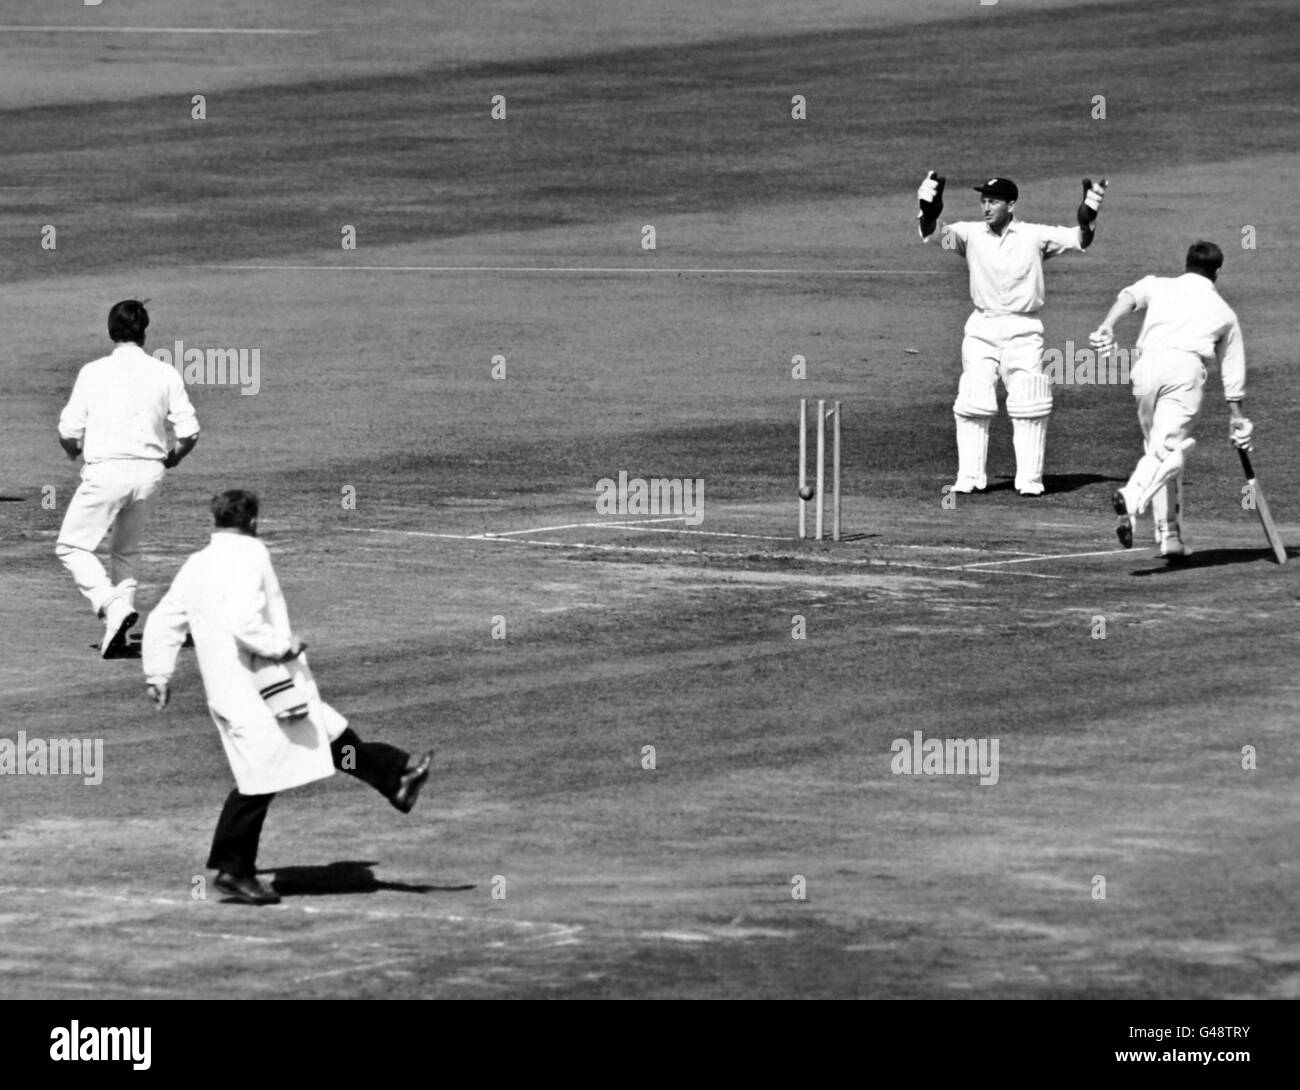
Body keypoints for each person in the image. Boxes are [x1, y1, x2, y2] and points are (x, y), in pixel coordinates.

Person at [141, 489, 434, 906]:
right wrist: (283, 644)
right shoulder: (251, 555)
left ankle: (396, 778)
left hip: (245, 686)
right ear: (254, 521)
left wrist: (158, 673)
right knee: (258, 777)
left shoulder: (198, 563)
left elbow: (164, 620)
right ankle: (233, 870)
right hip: (255, 687)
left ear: (215, 520)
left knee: (330, 734)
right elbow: (244, 621)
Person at [916, 171, 1107, 495]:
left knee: (1029, 401)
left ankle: (1029, 481)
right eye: (983, 201)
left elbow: (1079, 238)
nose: (986, 207)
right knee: (973, 398)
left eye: (993, 202)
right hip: (983, 326)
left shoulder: (1034, 236)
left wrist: (1089, 215)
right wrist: (929, 211)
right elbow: (935, 233)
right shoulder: (969, 234)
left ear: (1011, 204)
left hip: (1023, 328)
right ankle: (970, 477)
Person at [56, 300, 201, 657]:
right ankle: (117, 634)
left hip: (107, 471)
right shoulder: (164, 373)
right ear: (144, 332)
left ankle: (112, 605)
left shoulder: (92, 372)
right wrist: (172, 459)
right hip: (149, 473)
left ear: (110, 331)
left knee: (71, 546)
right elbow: (190, 432)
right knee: (125, 550)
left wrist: (72, 450)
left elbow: (67, 430)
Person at [1089, 241, 1250, 558]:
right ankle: (1133, 498)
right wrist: (1237, 417)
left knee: (1158, 451)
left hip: (1145, 368)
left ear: (1187, 264)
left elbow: (1129, 296)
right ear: (1216, 272)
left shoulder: (1160, 285)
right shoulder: (1223, 312)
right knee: (1170, 450)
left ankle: (1170, 536)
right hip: (1184, 371)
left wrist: (1107, 325)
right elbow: (1233, 372)